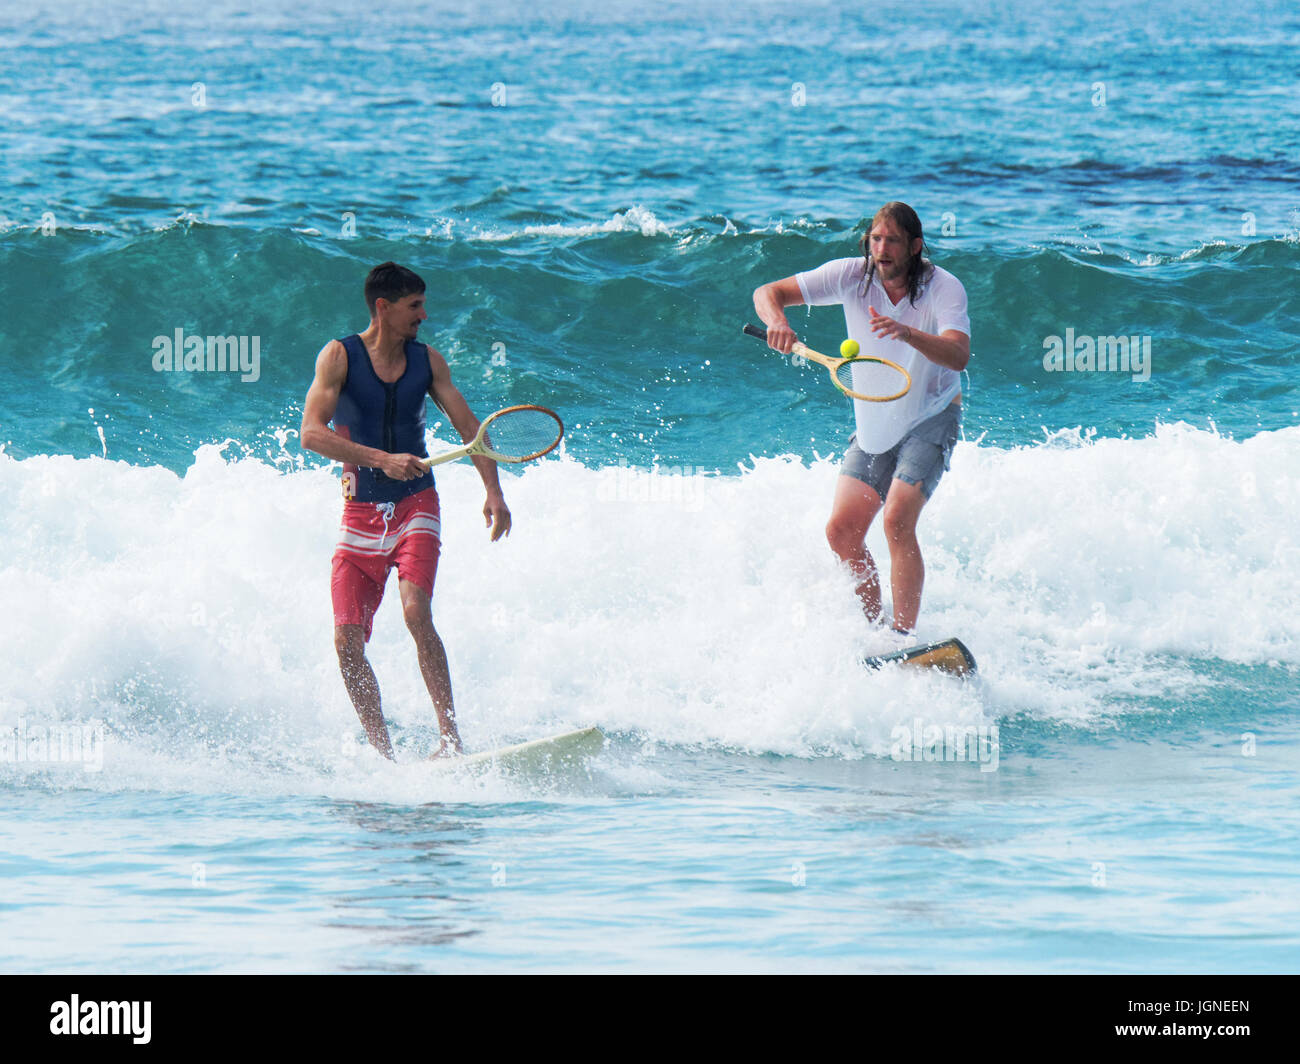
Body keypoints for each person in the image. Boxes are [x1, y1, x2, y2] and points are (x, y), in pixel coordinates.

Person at [300, 262, 511, 759]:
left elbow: (470, 430)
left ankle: (450, 740)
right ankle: (383, 755)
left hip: (417, 504)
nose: (423, 315)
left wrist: (494, 492)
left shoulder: (427, 362)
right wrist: (379, 460)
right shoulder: (339, 356)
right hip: (360, 512)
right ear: (384, 307)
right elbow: (311, 433)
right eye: (414, 306)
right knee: (346, 640)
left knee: (416, 612)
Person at [752, 201, 970, 635]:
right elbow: (767, 293)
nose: (882, 249)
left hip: (931, 415)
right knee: (841, 530)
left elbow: (959, 354)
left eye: (892, 240)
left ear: (915, 246)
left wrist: (908, 332)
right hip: (875, 423)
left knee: (896, 519)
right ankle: (874, 632)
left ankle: (902, 637)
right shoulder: (851, 275)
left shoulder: (944, 288)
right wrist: (778, 322)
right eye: (875, 239)